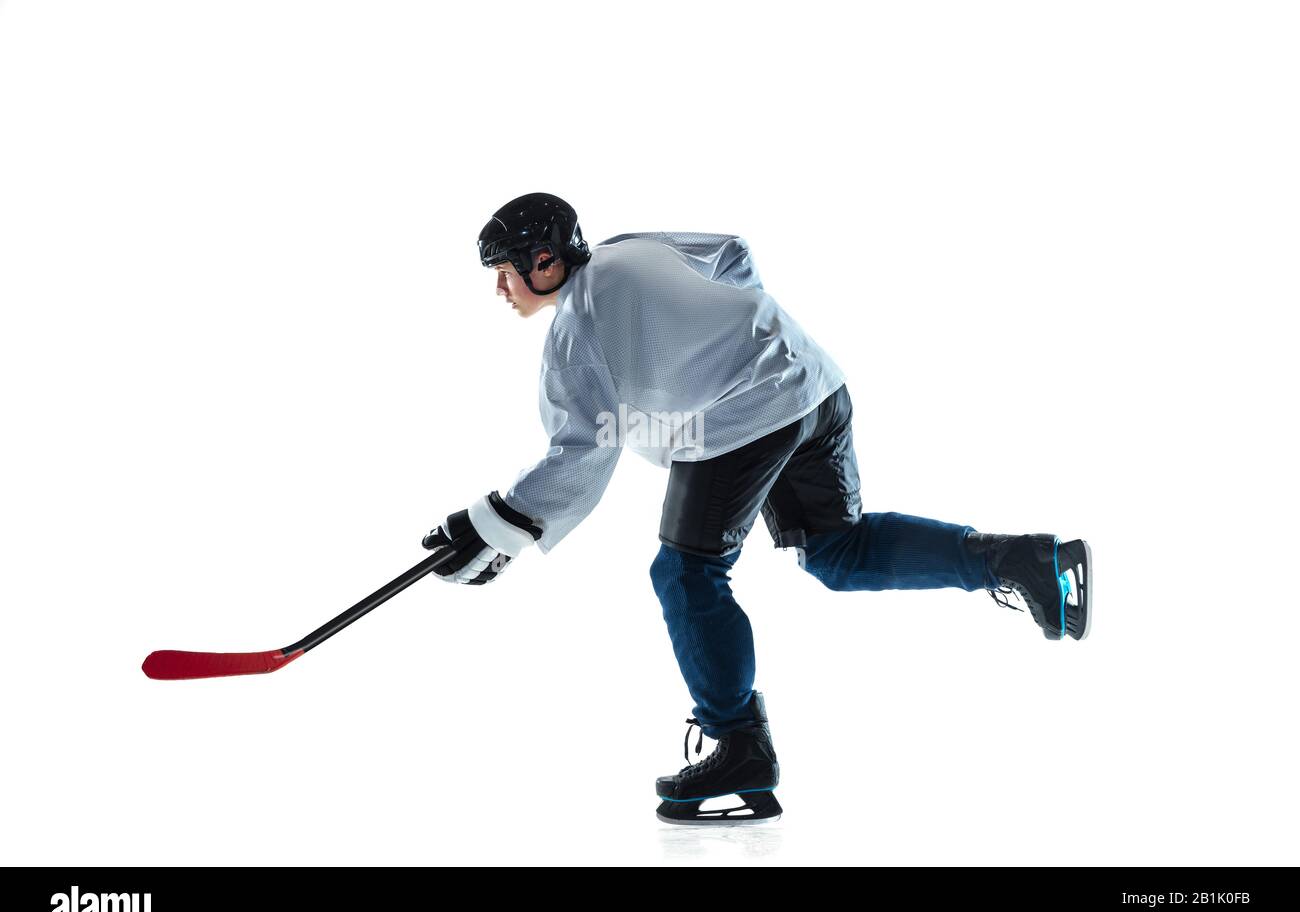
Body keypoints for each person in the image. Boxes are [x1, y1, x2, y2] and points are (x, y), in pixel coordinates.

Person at [422, 192, 1093, 825]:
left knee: (684, 573)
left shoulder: (577, 328)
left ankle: (740, 745)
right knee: (840, 551)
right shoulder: (634, 248)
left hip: (744, 417)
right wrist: (734, 335)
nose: (500, 288)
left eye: (505, 271)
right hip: (810, 379)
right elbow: (732, 250)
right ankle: (1022, 559)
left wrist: (495, 527)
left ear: (545, 262)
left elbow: (580, 453)